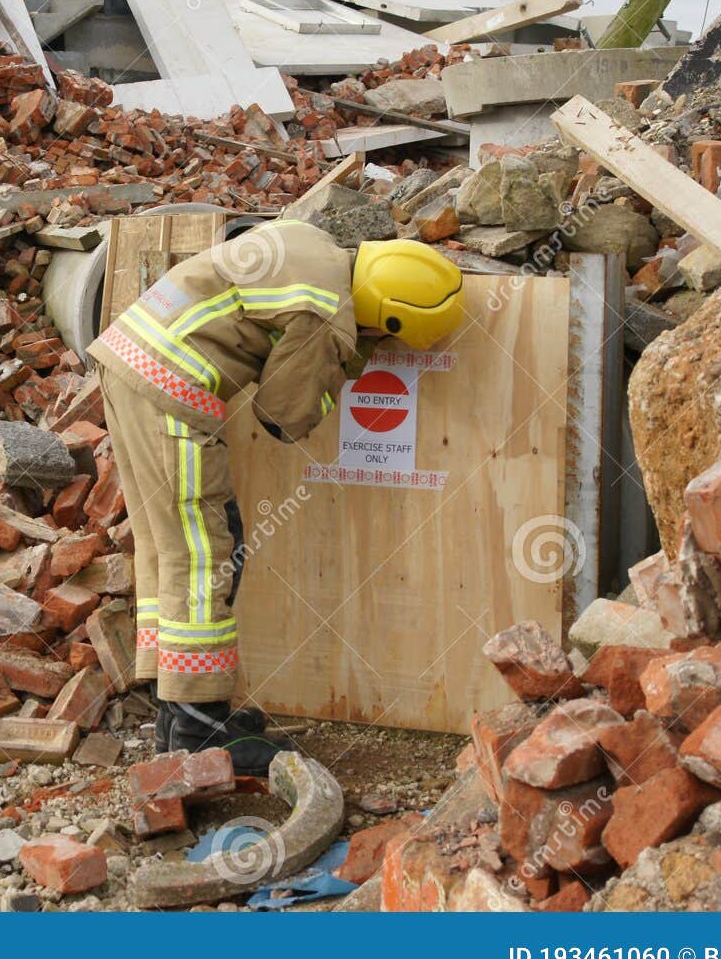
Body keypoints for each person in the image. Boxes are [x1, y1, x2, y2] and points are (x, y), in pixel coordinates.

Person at [87, 218, 465, 773]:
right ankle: (199, 733)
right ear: (384, 314)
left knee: (166, 546)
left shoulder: (316, 245)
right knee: (205, 555)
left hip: (127, 362)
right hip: (170, 391)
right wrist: (348, 361)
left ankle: (178, 713)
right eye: (389, 335)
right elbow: (283, 417)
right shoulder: (322, 314)